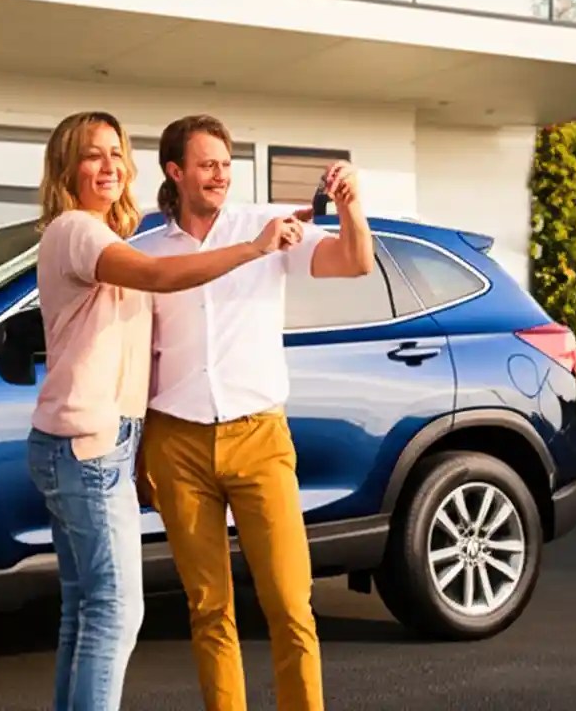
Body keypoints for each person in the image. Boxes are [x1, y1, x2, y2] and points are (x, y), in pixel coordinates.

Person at [26, 110, 303, 711]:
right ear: (65, 167)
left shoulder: (96, 232)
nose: (108, 166)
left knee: (85, 611)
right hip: (88, 442)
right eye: (92, 155)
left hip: (90, 441)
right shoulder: (79, 231)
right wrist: (253, 247)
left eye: (115, 153)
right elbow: (157, 275)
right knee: (116, 612)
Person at [130, 114, 374, 711]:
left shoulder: (269, 228)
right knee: (209, 608)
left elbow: (355, 261)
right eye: (206, 164)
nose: (219, 176)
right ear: (175, 171)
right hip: (177, 443)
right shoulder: (149, 252)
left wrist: (351, 205)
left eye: (225, 164)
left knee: (291, 603)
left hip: (259, 438)